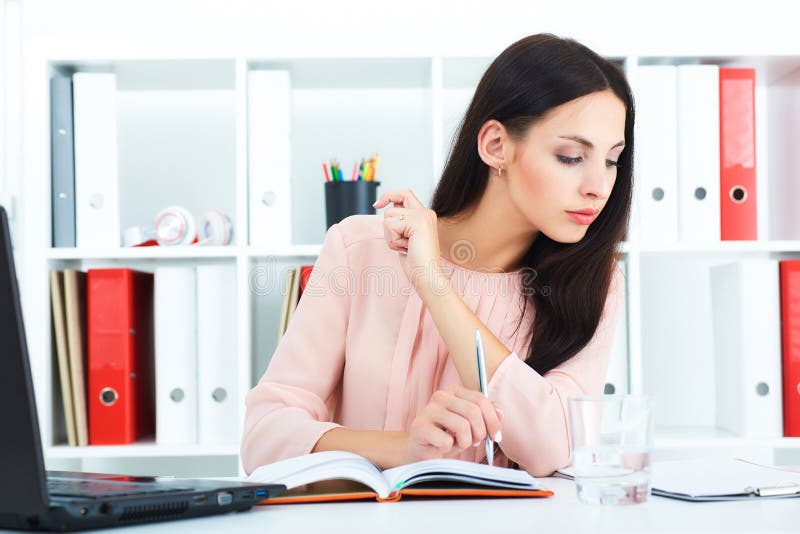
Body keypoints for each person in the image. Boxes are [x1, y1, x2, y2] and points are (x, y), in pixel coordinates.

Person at [241, 33, 632, 478]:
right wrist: (405, 448)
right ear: (495, 146)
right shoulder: (360, 250)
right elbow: (263, 437)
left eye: (613, 160)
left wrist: (433, 283)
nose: (599, 186)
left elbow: (556, 446)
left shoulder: (595, 283)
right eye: (571, 156)